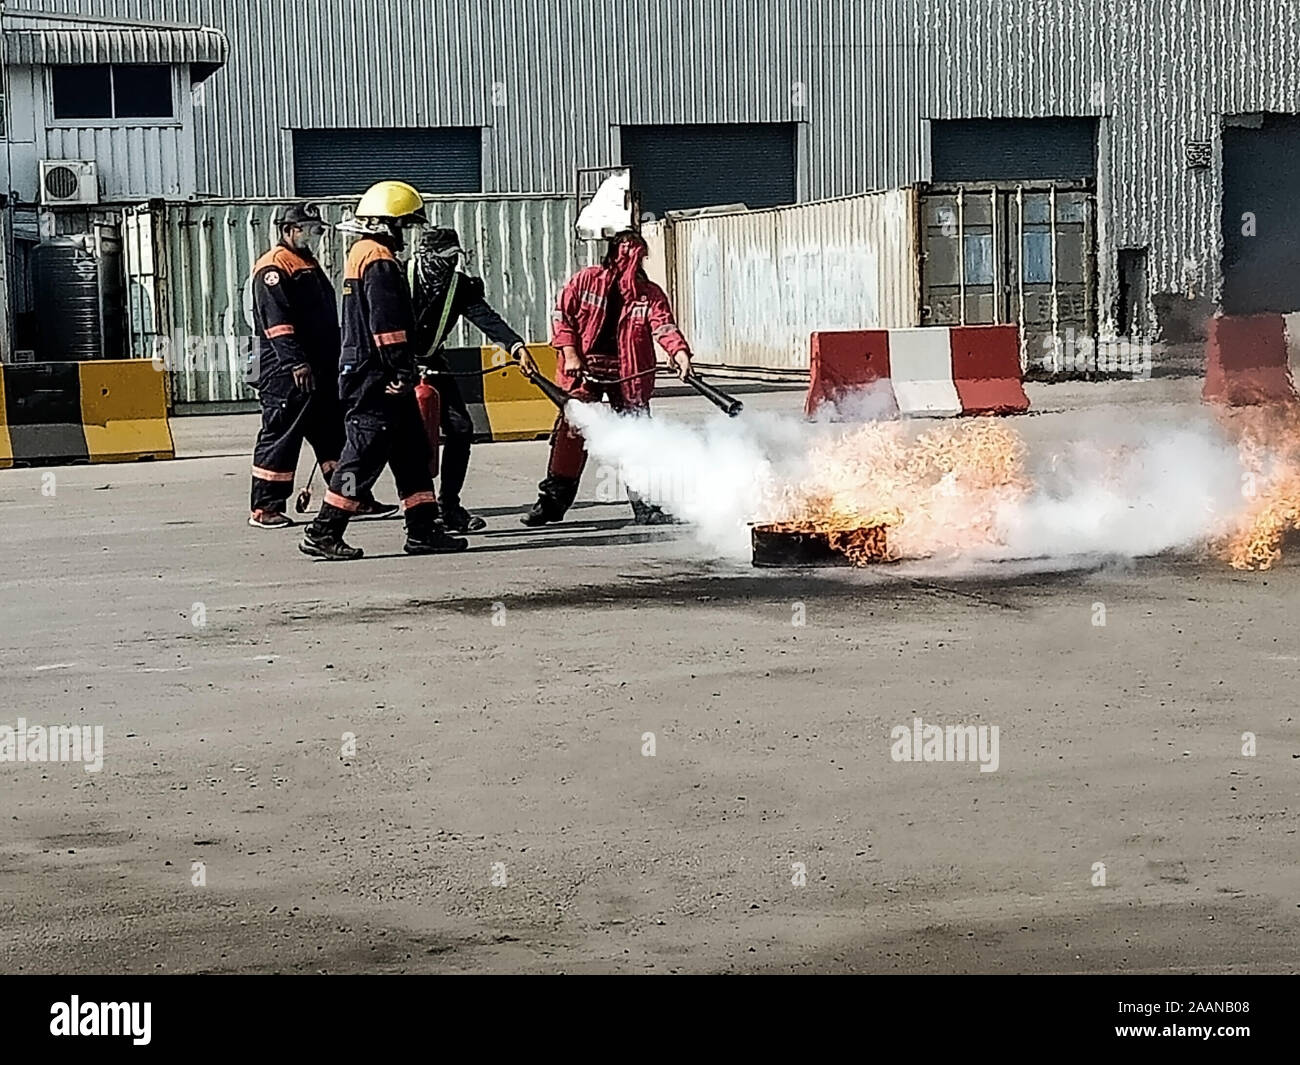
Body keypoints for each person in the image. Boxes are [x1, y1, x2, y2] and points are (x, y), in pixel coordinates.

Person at [300, 181, 468, 561]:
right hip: (377, 377)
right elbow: (387, 322)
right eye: (404, 226)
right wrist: (400, 370)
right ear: (386, 223)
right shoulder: (378, 258)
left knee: (411, 450)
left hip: (375, 372)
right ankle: (324, 530)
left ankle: (424, 529)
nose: (406, 236)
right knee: (361, 454)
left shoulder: (363, 252)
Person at [522, 229, 692, 526]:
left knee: (637, 438)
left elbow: (663, 325)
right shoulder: (586, 280)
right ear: (613, 254)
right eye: (626, 254)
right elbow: (563, 317)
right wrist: (571, 354)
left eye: (637, 256)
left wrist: (679, 353)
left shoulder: (648, 294)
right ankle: (551, 504)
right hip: (584, 373)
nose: (630, 262)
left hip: (628, 378)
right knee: (571, 433)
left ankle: (646, 506)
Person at [247, 202, 396, 528]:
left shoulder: (306, 262)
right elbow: (278, 324)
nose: (314, 236)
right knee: (282, 435)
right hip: (286, 372)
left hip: (320, 368)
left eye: (316, 230)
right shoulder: (273, 267)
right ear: (288, 231)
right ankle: (265, 507)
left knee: (336, 439)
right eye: (308, 230)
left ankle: (350, 498)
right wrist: (295, 362)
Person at [408, 227, 532, 532]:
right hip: (394, 365)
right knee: (395, 438)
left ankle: (448, 506)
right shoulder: (397, 275)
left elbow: (486, 317)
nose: (451, 264)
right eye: (446, 257)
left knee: (461, 428)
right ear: (428, 256)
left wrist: (515, 346)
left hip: (433, 361)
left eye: (455, 257)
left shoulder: (458, 286)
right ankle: (401, 509)